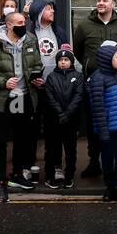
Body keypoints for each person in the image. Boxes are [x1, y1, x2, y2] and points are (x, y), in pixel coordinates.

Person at [0, 10, 43, 190]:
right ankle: (0, 177)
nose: (23, 25)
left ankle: (17, 174)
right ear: (9, 25)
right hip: (2, 99)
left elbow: (37, 64)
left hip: (21, 98)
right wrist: (3, 82)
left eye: (24, 22)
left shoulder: (30, 40)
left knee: (21, 138)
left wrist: (35, 77)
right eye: (20, 23)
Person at [73, 0, 117, 178]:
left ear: (113, 4)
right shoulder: (84, 26)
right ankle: (94, 162)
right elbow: (77, 51)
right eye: (99, 0)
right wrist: (89, 66)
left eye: (105, 0)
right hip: (94, 84)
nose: (100, 3)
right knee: (95, 123)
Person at [87, 41, 117, 203]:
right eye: (116, 57)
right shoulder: (97, 79)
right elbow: (97, 108)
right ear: (107, 59)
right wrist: (103, 131)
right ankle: (110, 186)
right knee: (107, 158)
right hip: (106, 128)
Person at [41, 45, 83, 189]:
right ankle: (50, 176)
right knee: (52, 150)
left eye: (66, 60)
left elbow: (78, 96)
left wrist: (67, 113)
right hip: (54, 120)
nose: (63, 62)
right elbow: (49, 96)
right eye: (60, 60)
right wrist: (60, 113)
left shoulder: (77, 76)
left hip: (71, 121)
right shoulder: (51, 77)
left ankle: (69, 175)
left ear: (71, 62)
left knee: (71, 150)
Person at [26, 0, 69, 84]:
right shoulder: (28, 33)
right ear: (39, 12)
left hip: (57, 81)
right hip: (34, 82)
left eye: (52, 9)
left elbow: (67, 56)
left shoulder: (59, 32)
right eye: (48, 9)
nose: (53, 11)